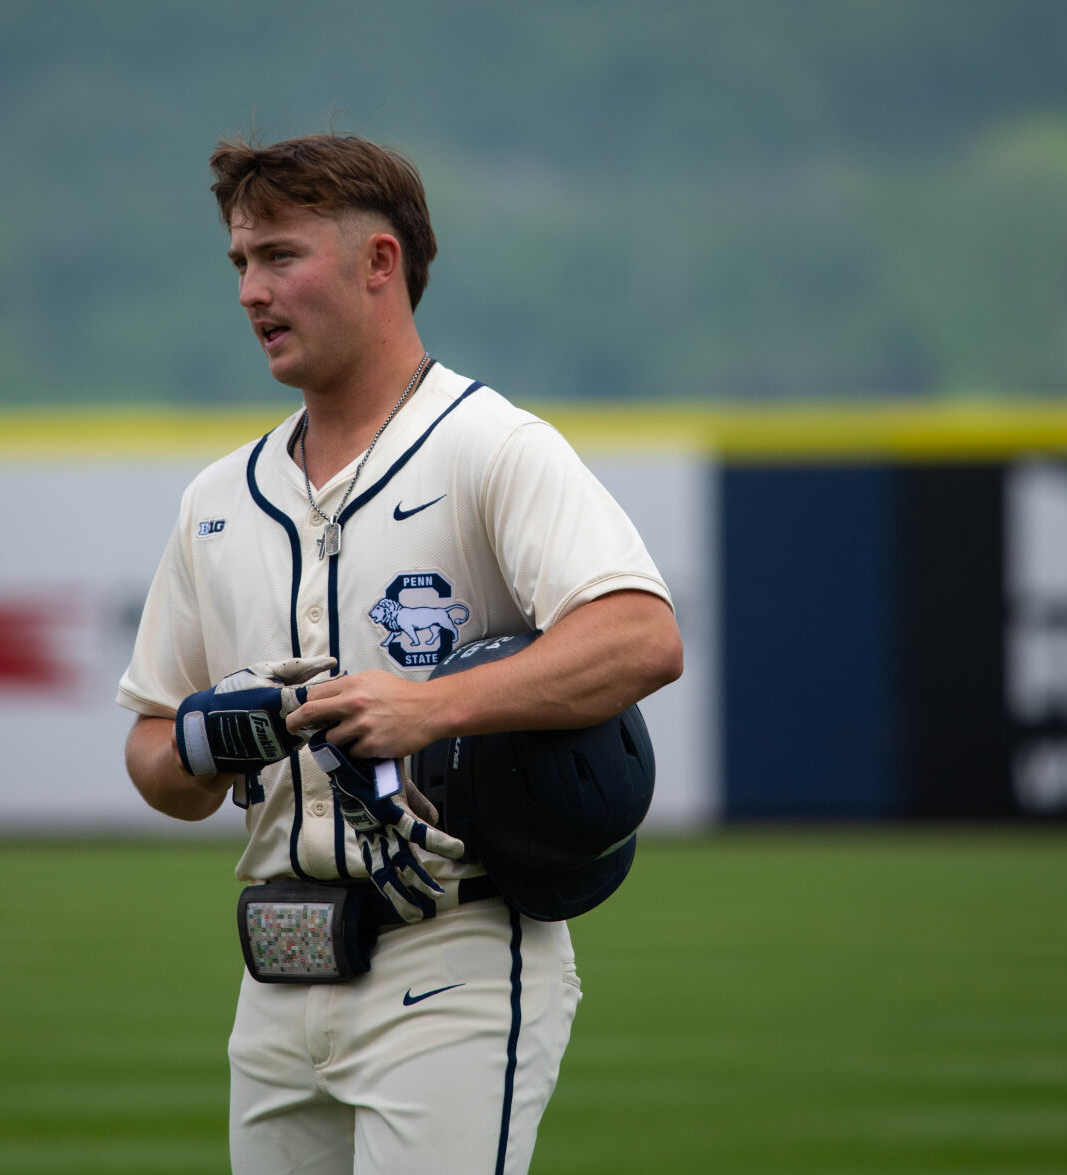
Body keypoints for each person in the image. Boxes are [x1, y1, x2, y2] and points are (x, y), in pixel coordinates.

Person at [117, 132, 682, 1174]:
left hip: (451, 952)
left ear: (380, 262)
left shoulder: (490, 446)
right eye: (239, 262)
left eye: (279, 255)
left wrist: (431, 709)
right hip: (276, 973)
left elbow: (640, 635)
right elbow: (154, 755)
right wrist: (200, 741)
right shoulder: (215, 502)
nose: (250, 289)